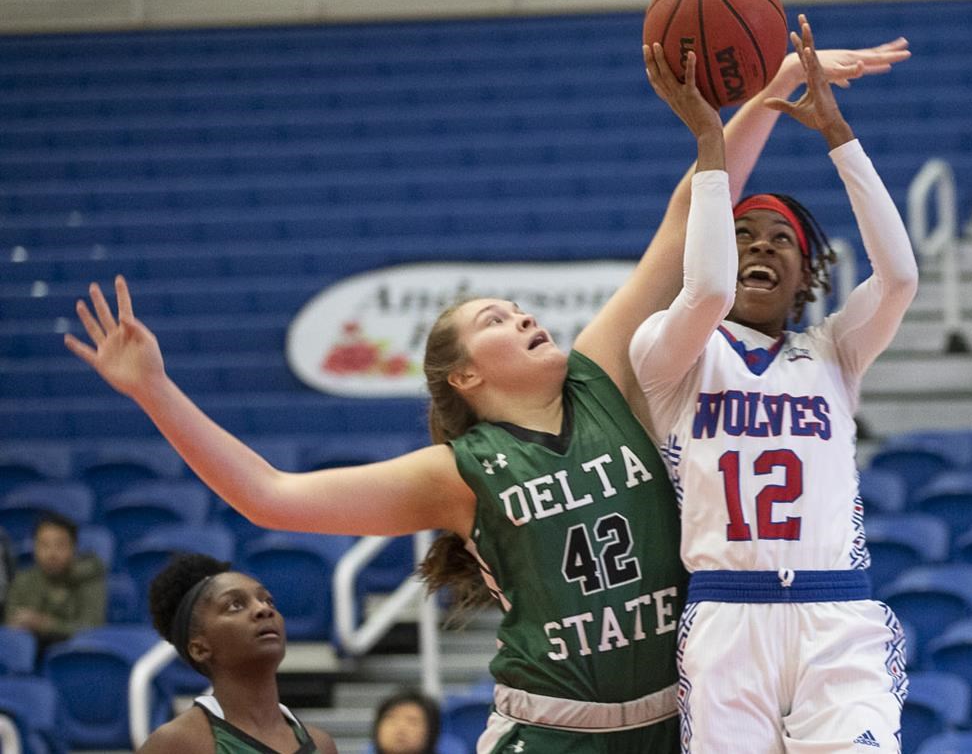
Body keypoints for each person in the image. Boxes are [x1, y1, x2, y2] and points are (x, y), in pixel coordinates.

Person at [65, 36, 909, 753]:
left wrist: (774, 89)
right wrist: (154, 390)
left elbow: (694, 204)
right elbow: (268, 495)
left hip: (669, 718)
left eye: (521, 306)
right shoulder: (459, 472)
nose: (526, 316)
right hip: (549, 731)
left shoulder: (603, 372)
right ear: (464, 375)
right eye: (498, 319)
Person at [630, 15, 919, 752]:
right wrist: (710, 146)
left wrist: (838, 135)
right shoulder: (670, 352)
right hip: (729, 622)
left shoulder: (834, 353)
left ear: (807, 271)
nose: (761, 245)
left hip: (837, 617)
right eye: (744, 234)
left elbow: (900, 278)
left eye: (781, 239)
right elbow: (703, 294)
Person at [137, 553, 339, 753]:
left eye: (268, 601)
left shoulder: (322, 744)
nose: (263, 609)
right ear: (199, 648)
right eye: (235, 605)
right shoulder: (177, 743)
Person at [4, 511, 106, 659]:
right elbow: (11, 625)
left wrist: (44, 624)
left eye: (60, 545)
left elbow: (92, 629)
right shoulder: (23, 579)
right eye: (44, 545)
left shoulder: (90, 578)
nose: (51, 554)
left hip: (76, 658)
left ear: (74, 547)